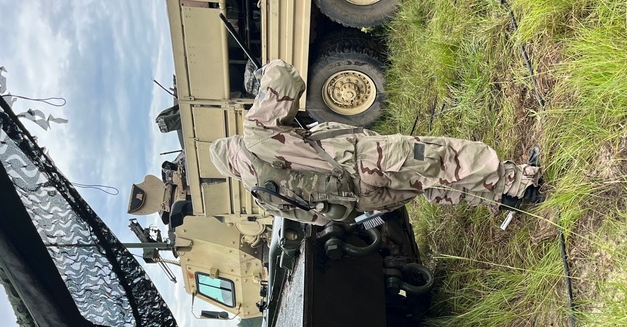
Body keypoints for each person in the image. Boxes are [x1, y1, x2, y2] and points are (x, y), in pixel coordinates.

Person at [208, 59, 544, 226]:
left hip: (363, 200)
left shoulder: (262, 196)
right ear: (233, 145)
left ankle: (497, 195)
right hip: (368, 160)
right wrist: (262, 76)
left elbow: (320, 219)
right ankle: (518, 182)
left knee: (427, 185)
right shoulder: (254, 136)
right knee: (445, 159)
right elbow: (284, 78)